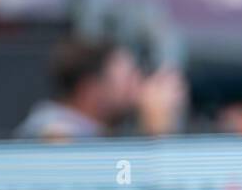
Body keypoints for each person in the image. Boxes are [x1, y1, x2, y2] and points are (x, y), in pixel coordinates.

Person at [14, 37, 187, 140]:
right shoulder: (56, 134)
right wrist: (157, 128)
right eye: (128, 80)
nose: (138, 89)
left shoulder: (91, 133)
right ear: (90, 90)